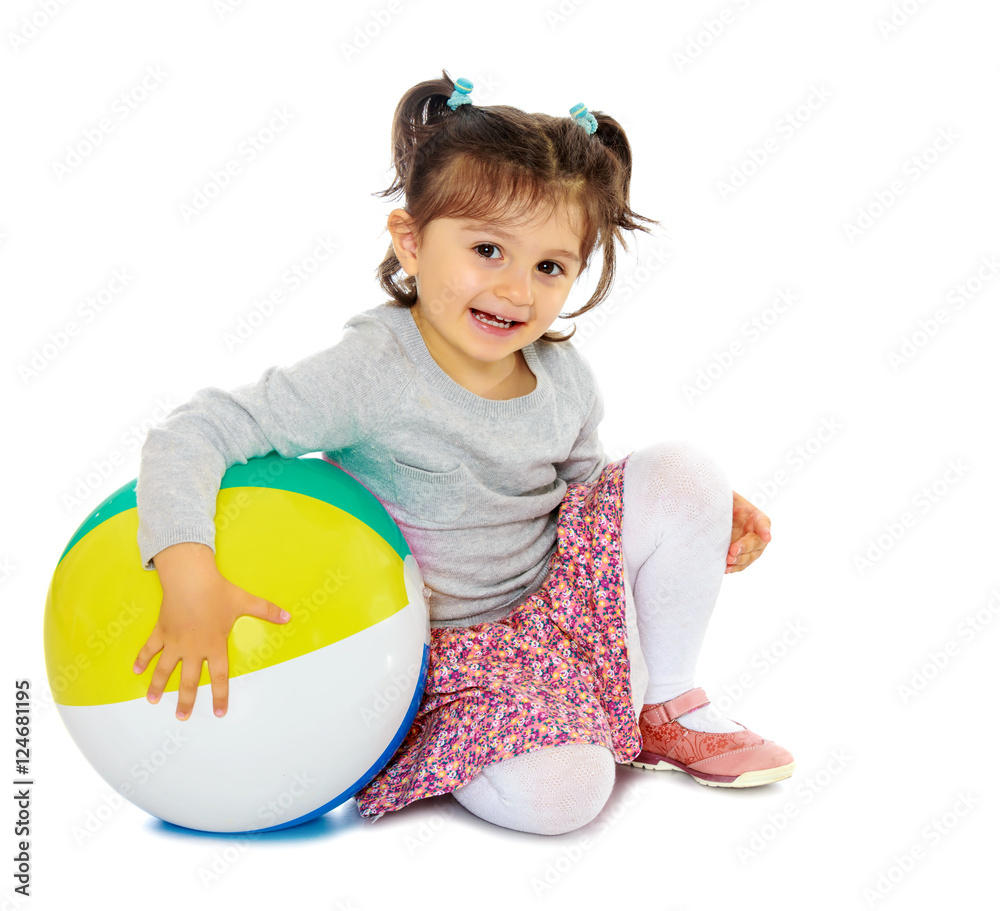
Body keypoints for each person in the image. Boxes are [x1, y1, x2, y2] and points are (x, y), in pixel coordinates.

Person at [132, 71, 794, 837]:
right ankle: (451, 740)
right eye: (487, 250)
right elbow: (195, 430)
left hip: (553, 616)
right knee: (566, 795)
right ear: (410, 243)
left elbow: (586, 503)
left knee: (685, 469)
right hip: (442, 659)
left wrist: (696, 512)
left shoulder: (562, 375)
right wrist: (186, 571)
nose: (516, 290)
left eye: (549, 267)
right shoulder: (376, 369)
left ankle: (664, 705)